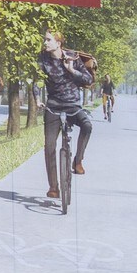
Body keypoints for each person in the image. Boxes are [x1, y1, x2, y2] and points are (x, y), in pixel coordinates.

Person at [38, 31, 94, 200]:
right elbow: (37, 81)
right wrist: (37, 99)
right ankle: (54, 187)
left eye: (48, 40)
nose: (45, 42)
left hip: (73, 106)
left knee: (87, 126)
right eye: (45, 39)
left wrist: (71, 70)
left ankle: (77, 160)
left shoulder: (73, 58)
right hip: (53, 107)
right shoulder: (43, 60)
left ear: (58, 43)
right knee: (49, 146)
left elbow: (88, 79)